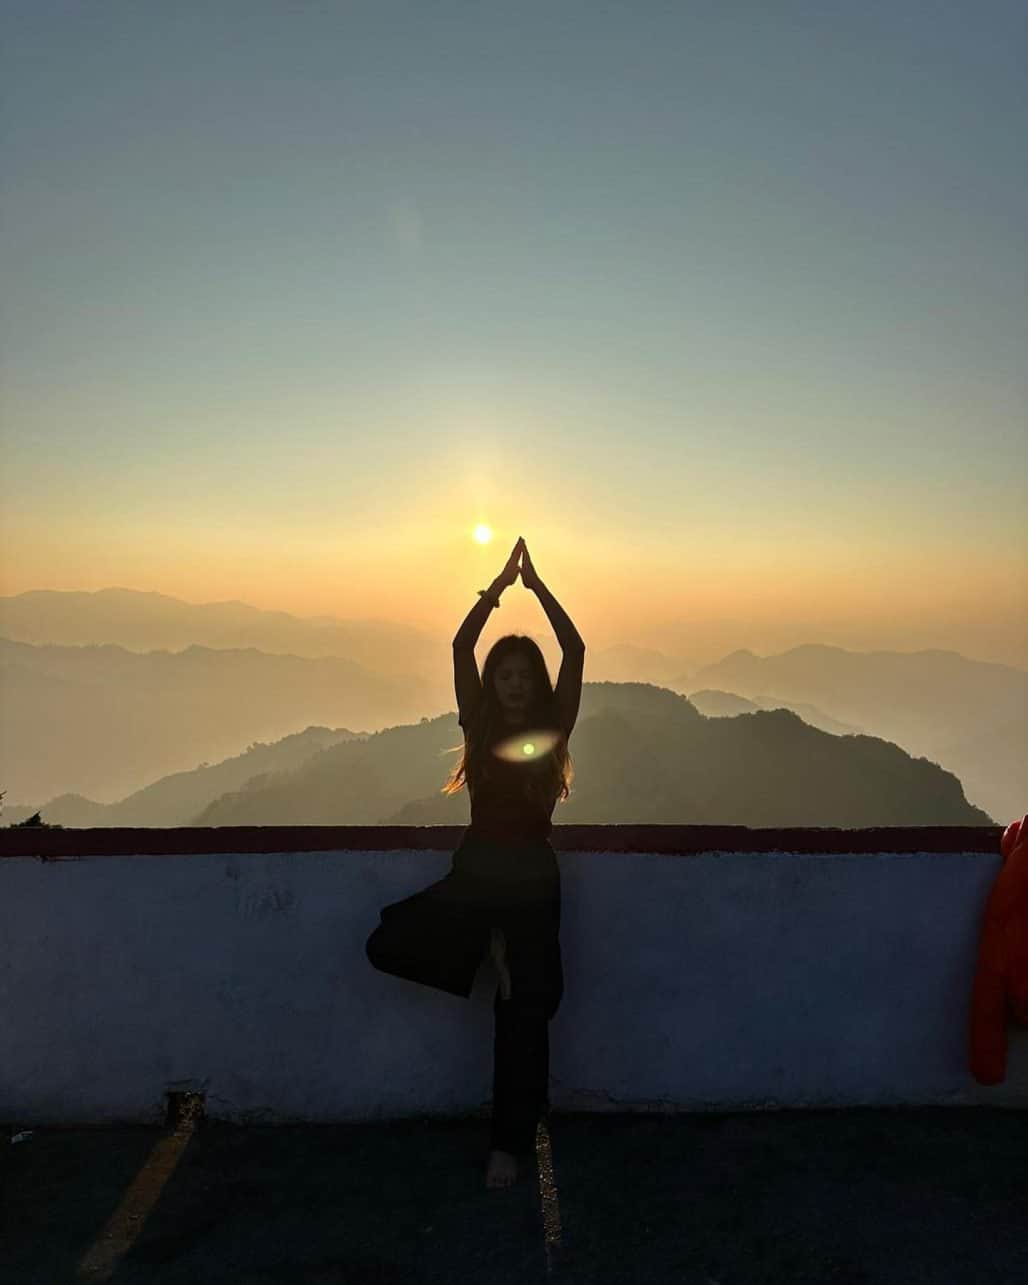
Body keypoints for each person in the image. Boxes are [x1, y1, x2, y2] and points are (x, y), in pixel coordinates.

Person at [365, 536, 585, 1188]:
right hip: (476, 876)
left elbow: (575, 651)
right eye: (505, 675)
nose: (515, 683)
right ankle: (481, 955)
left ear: (537, 684)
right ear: (494, 684)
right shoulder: (479, 726)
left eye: (524, 675)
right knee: (387, 940)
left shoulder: (554, 727)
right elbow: (462, 648)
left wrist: (539, 586)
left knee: (523, 1012)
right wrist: (495, 587)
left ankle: (507, 1147)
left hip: (531, 883)